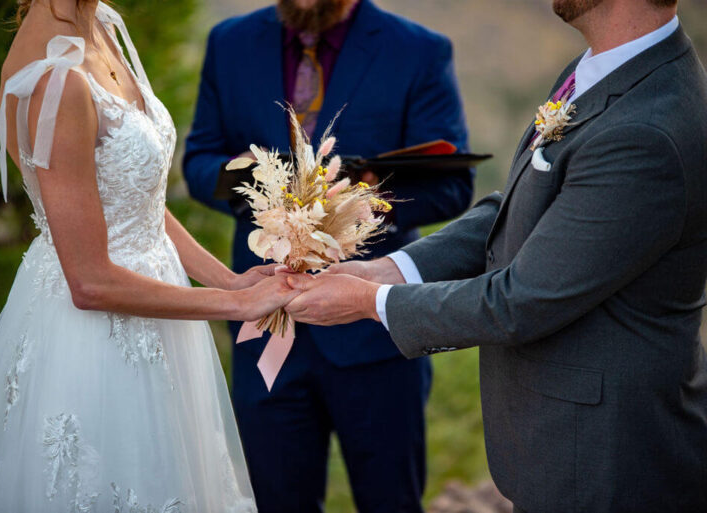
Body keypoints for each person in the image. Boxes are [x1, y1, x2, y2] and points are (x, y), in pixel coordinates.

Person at [284, 0, 707, 511]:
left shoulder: (647, 130)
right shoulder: (601, 68)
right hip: (563, 447)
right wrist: (391, 268)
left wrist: (368, 301)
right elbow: (521, 208)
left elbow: (521, 301)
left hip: (607, 460)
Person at [0, 1, 300, 511]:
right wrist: (237, 306)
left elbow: (136, 199)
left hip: (163, 316)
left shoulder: (99, 25)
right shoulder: (56, 80)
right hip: (95, 339)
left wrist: (228, 279)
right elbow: (90, 283)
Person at [183, 0, 472, 511]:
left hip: (376, 336)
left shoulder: (419, 51)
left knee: (390, 501)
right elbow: (199, 160)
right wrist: (255, 185)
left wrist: (357, 206)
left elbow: (453, 187)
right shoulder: (229, 42)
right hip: (263, 326)